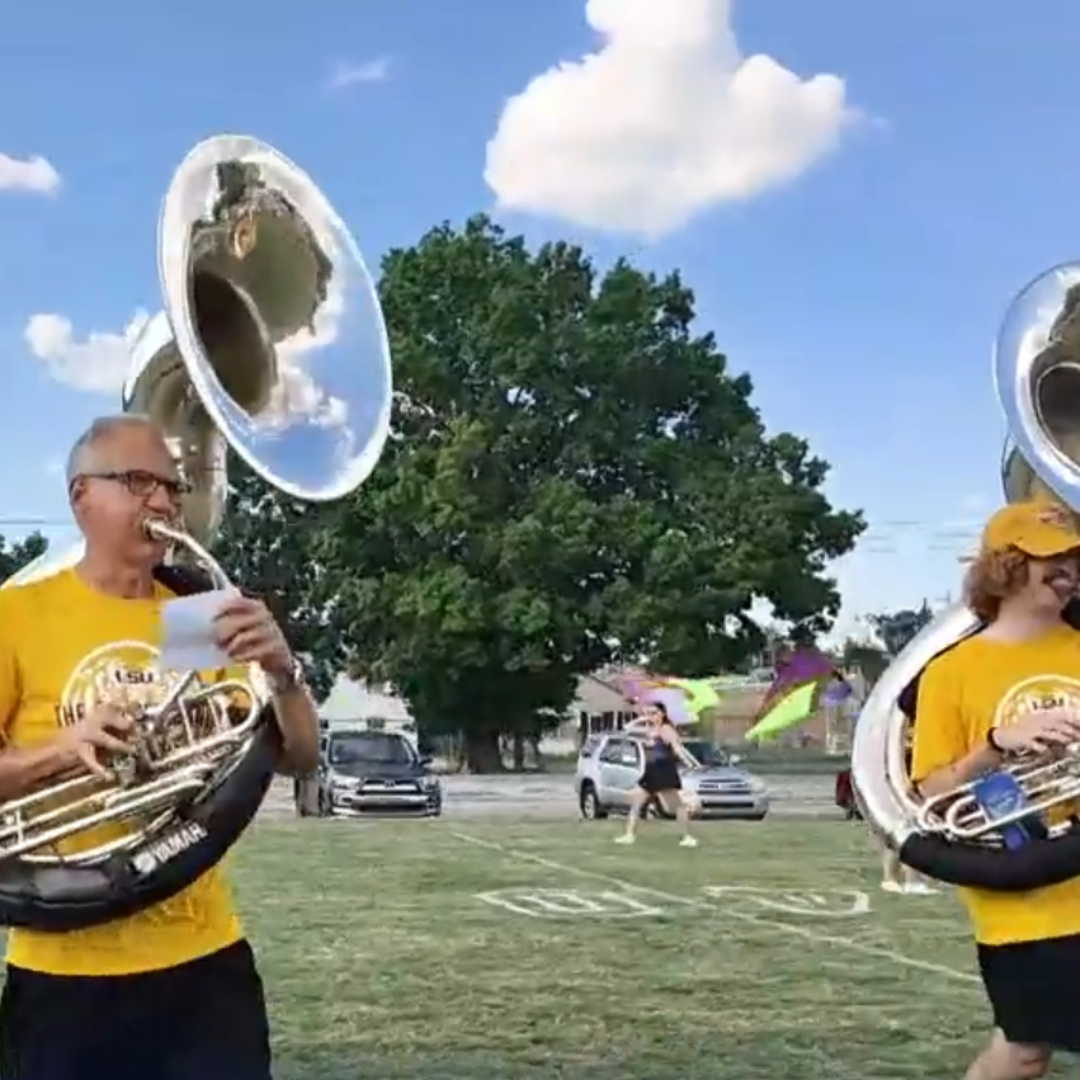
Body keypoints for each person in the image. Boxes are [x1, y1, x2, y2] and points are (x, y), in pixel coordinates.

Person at [0, 414, 320, 1080]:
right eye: (139, 481)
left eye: (171, 488)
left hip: (202, 961)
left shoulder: (192, 614)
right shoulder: (17, 615)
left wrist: (283, 673)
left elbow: (298, 757)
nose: (164, 502)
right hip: (63, 969)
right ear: (81, 496)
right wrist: (65, 747)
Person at [911, 499, 1080, 1079]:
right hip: (1024, 892)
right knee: (1025, 1052)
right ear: (1006, 565)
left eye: (1075, 557)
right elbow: (934, 792)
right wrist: (999, 743)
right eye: (1050, 557)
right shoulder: (950, 671)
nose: (1069, 570)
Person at [616, 702, 699, 848]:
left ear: (662, 714)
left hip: (664, 771)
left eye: (654, 713)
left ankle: (687, 837)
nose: (651, 716)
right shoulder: (649, 730)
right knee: (636, 804)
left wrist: (689, 764)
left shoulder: (666, 729)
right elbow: (626, 729)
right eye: (649, 713)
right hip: (650, 772)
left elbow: (676, 748)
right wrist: (641, 719)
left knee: (676, 806)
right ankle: (629, 835)